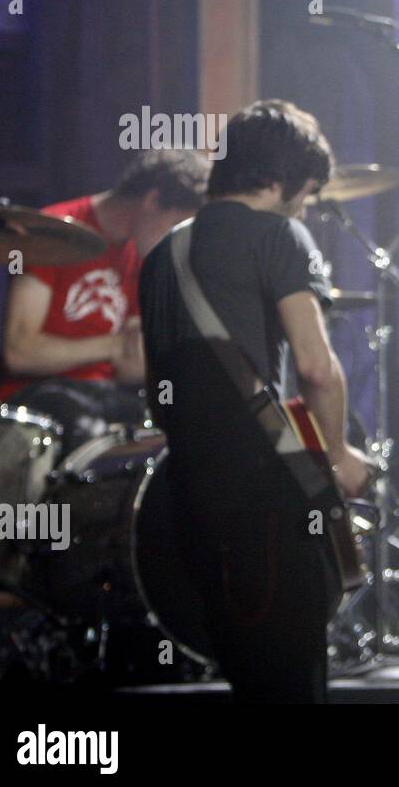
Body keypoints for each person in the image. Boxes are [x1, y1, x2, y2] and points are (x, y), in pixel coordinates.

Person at [138, 99, 372, 703]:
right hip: (266, 500)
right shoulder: (279, 234)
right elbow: (316, 370)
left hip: (187, 498)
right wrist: (341, 456)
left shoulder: (163, 254)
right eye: (303, 195)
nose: (304, 209)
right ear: (274, 182)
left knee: (249, 681)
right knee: (292, 683)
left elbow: (155, 390)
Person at [0, 150, 210, 452]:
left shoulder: (143, 254)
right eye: (176, 226)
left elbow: (130, 365)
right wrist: (113, 345)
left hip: (107, 394)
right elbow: (19, 352)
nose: (178, 241)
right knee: (88, 426)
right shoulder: (53, 230)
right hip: (38, 401)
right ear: (152, 200)